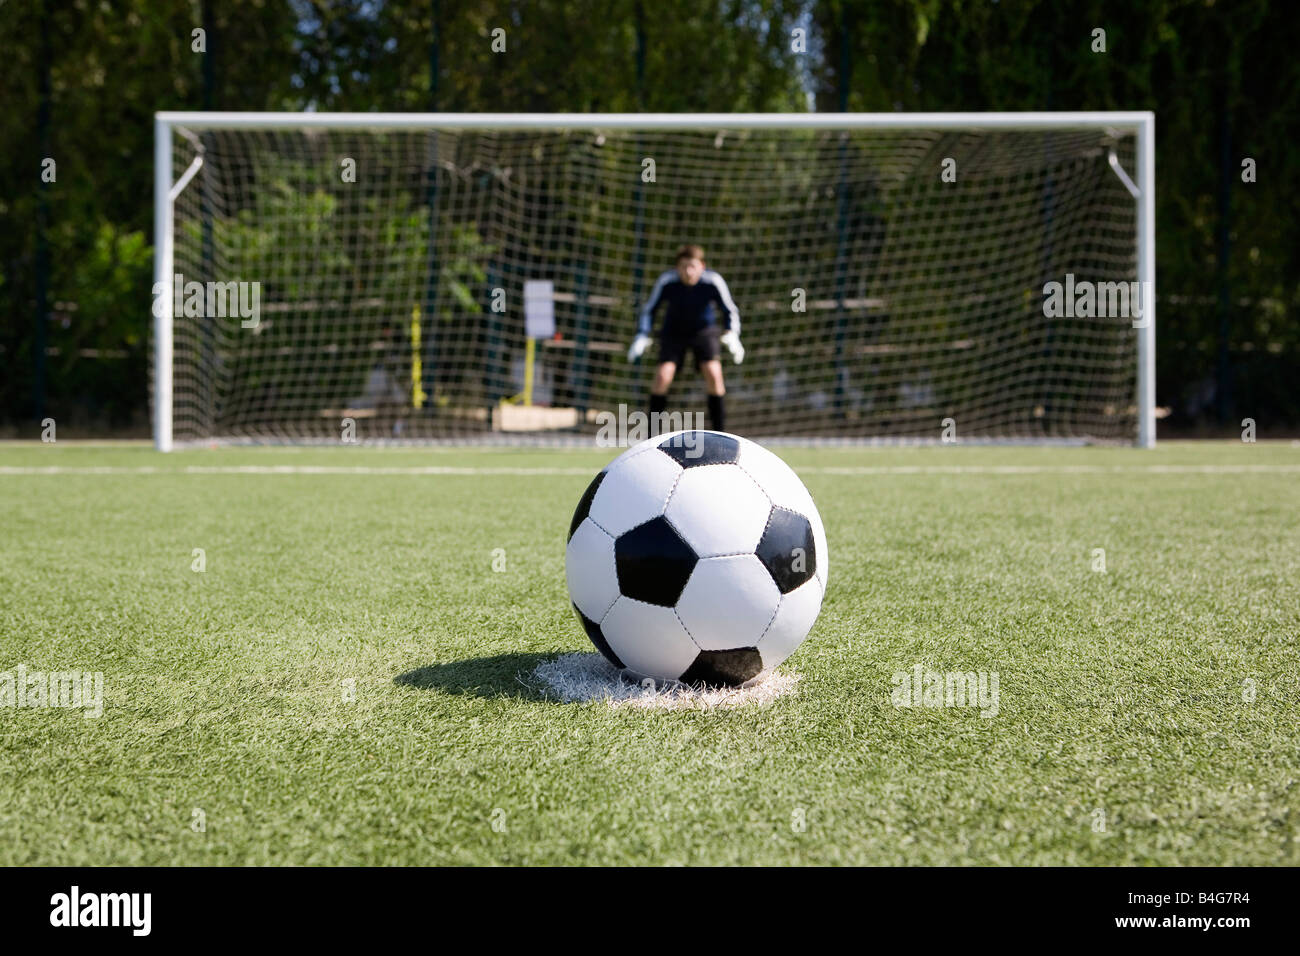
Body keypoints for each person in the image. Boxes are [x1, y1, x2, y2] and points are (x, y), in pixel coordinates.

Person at [627, 244, 743, 432]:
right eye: (683, 266)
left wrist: (733, 334)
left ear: (702, 266)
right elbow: (649, 310)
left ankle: (721, 434)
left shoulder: (713, 281)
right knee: (662, 377)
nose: (688, 271)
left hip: (704, 331)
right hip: (674, 332)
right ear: (677, 268)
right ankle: (651, 437)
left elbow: (729, 309)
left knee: (714, 374)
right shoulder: (667, 282)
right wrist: (642, 334)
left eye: (693, 266)